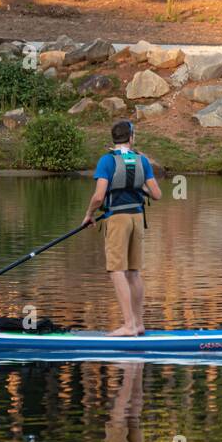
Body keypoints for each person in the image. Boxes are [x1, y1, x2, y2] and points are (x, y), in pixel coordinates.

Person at [85, 120, 162, 336]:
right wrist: (138, 186)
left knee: (116, 271)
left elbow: (99, 196)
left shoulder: (106, 161)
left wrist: (89, 215)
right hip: (137, 218)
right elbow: (157, 195)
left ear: (113, 140)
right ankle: (138, 324)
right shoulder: (142, 160)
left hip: (117, 219)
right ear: (131, 138)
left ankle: (128, 325)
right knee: (133, 272)